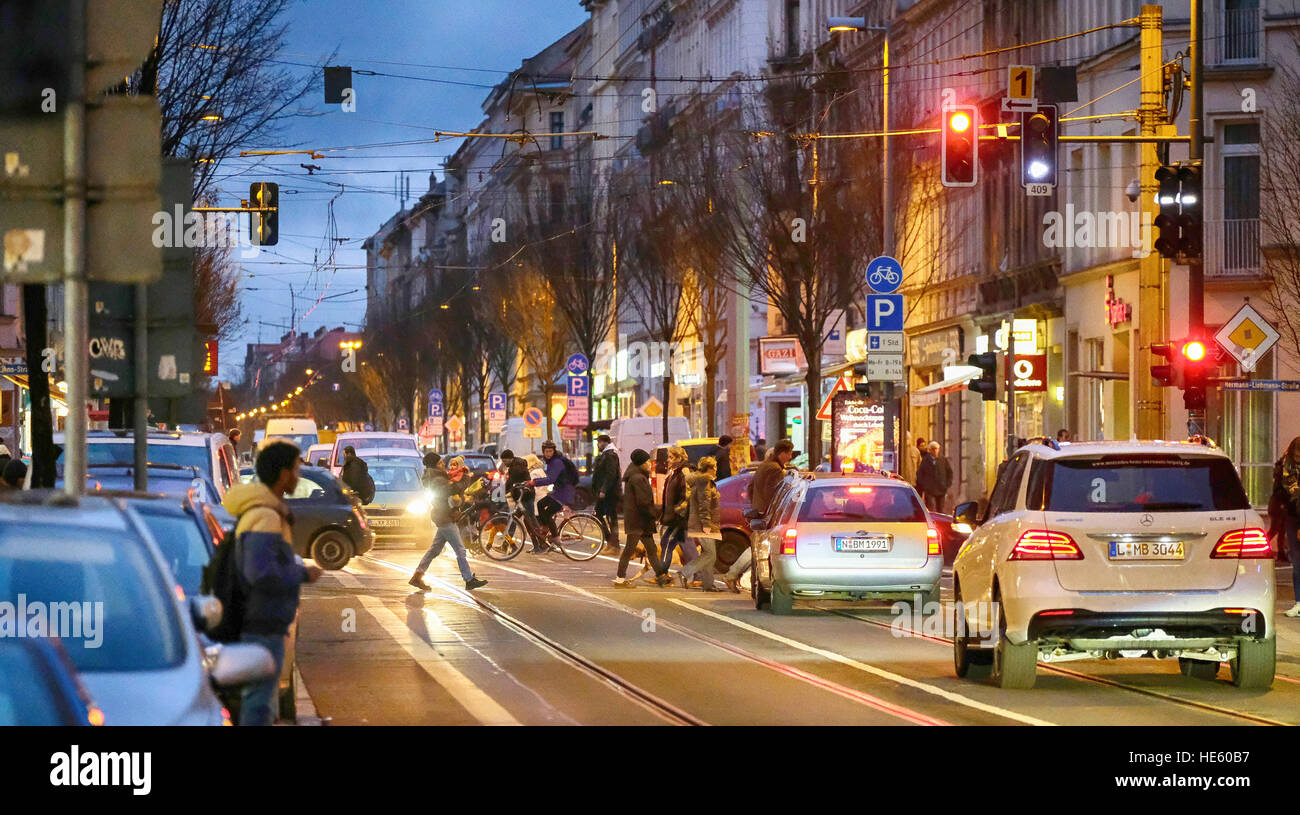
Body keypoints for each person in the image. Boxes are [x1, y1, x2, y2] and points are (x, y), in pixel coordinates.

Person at [220, 441, 323, 726]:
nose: (298, 476)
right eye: (296, 469)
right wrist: (302, 573)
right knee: (259, 705)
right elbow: (260, 572)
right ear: (282, 474)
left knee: (262, 703)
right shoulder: (266, 515)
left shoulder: (265, 509)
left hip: (263, 622)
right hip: (261, 624)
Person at [722, 440, 795, 593]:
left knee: (757, 546)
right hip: (769, 514)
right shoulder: (775, 469)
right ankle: (735, 575)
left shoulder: (764, 466)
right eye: (789, 453)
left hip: (761, 511)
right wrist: (772, 509)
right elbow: (774, 493)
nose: (790, 456)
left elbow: (751, 487)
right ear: (782, 452)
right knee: (759, 548)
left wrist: (756, 505)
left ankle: (735, 575)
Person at [409, 455, 487, 592]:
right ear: (434, 465)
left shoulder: (437, 476)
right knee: (460, 550)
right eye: (440, 463)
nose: (443, 464)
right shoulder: (438, 478)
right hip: (445, 517)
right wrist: (466, 478)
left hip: (443, 516)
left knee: (434, 549)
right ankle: (468, 579)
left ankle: (417, 576)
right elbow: (453, 489)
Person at [614, 449, 673, 588]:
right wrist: (655, 513)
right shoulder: (638, 478)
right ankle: (620, 579)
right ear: (641, 463)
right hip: (638, 520)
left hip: (639, 520)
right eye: (647, 461)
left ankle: (661, 575)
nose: (650, 464)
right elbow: (643, 501)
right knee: (629, 550)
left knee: (651, 549)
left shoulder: (637, 475)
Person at [679, 456, 722, 591]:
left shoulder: (700, 480)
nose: (716, 470)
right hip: (704, 523)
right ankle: (685, 572)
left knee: (708, 554)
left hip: (704, 522)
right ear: (708, 468)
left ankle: (708, 584)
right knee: (710, 554)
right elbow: (704, 504)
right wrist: (706, 524)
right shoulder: (705, 481)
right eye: (714, 467)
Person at [529, 440, 578, 552]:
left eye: (550, 451)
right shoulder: (551, 461)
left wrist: (534, 482)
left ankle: (555, 537)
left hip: (564, 493)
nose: (548, 453)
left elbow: (550, 479)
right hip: (559, 491)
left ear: (554, 451)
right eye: (546, 451)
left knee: (546, 511)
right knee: (541, 504)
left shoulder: (556, 462)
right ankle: (547, 528)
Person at [1272, 438, 1300, 617]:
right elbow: (1288, 491)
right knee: (1297, 561)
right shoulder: (1285, 467)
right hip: (1293, 516)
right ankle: (1299, 602)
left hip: (1292, 515)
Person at [658, 446, 696, 571]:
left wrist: (679, 511)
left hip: (681, 518)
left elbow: (688, 494)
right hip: (677, 517)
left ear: (679, 458)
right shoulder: (674, 472)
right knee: (677, 544)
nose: (667, 460)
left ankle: (662, 574)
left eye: (671, 457)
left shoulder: (684, 472)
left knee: (671, 542)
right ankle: (662, 573)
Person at [591, 434, 621, 549]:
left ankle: (614, 544)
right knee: (601, 514)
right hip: (605, 492)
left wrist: (603, 490)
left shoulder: (610, 455)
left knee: (610, 517)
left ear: (604, 443)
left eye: (599, 442)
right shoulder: (605, 455)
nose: (598, 445)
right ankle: (611, 542)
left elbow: (610, 475)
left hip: (609, 493)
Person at [917, 441, 953, 513]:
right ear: (930, 450)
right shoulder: (926, 460)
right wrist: (924, 485)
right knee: (930, 508)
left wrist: (947, 484)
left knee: (940, 509)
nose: (935, 451)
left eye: (937, 449)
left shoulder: (943, 460)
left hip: (941, 488)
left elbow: (949, 472)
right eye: (933, 449)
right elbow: (920, 473)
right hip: (929, 489)